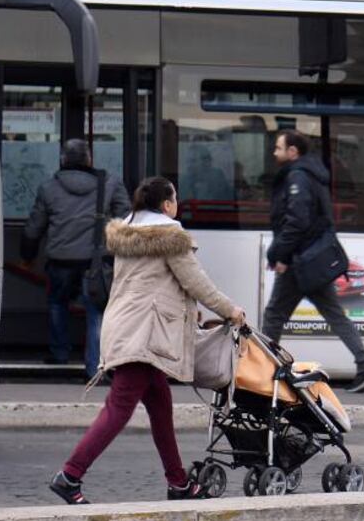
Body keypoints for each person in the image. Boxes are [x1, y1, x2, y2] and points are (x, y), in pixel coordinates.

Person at [48, 176, 246, 504]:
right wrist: (231, 310)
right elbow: (197, 283)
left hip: (130, 327)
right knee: (118, 409)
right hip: (144, 335)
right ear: (167, 204)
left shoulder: (130, 232)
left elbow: (157, 284)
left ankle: (178, 482)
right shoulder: (169, 236)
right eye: (175, 199)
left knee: (160, 407)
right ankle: (70, 475)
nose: (177, 204)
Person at [262, 130, 364, 394]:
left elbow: (296, 221)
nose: (274, 153)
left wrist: (279, 254)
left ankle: (263, 369)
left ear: (293, 152)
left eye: (278, 148)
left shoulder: (298, 177)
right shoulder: (311, 174)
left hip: (298, 261)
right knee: (334, 314)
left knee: (274, 315)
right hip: (313, 260)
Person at [21, 139, 131, 378]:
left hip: (59, 260)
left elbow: (33, 229)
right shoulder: (110, 183)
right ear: (89, 159)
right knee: (97, 312)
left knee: (57, 304)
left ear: (62, 160)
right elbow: (126, 219)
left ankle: (60, 353)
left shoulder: (48, 187)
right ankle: (94, 368)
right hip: (96, 262)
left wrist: (27, 255)